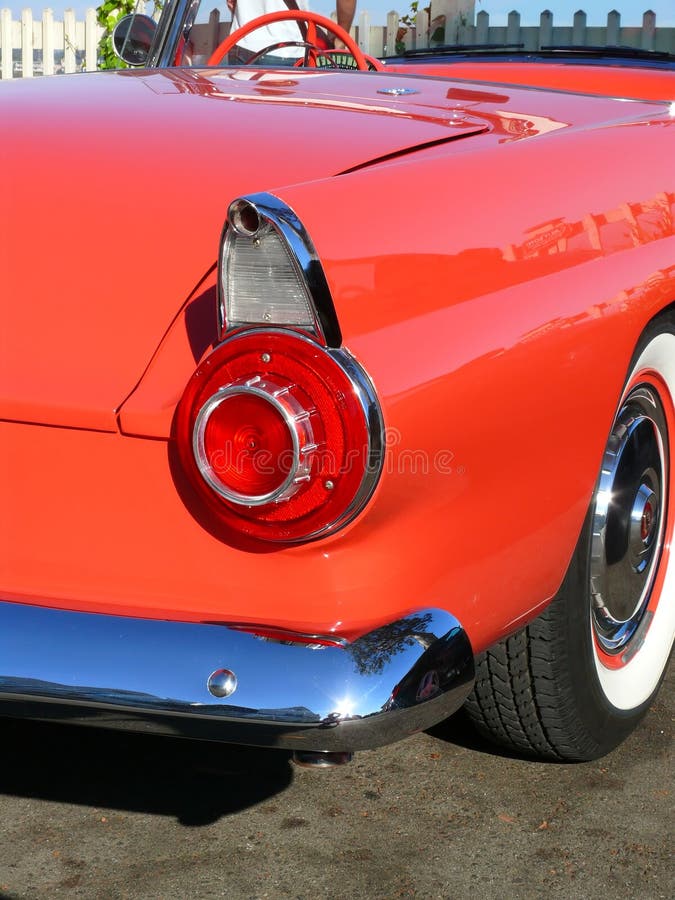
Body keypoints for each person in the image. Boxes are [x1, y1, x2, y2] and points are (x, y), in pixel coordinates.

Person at [226, 0, 356, 63]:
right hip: (290, 49)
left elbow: (231, 3)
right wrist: (340, 39)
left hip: (243, 44)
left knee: (241, 114)